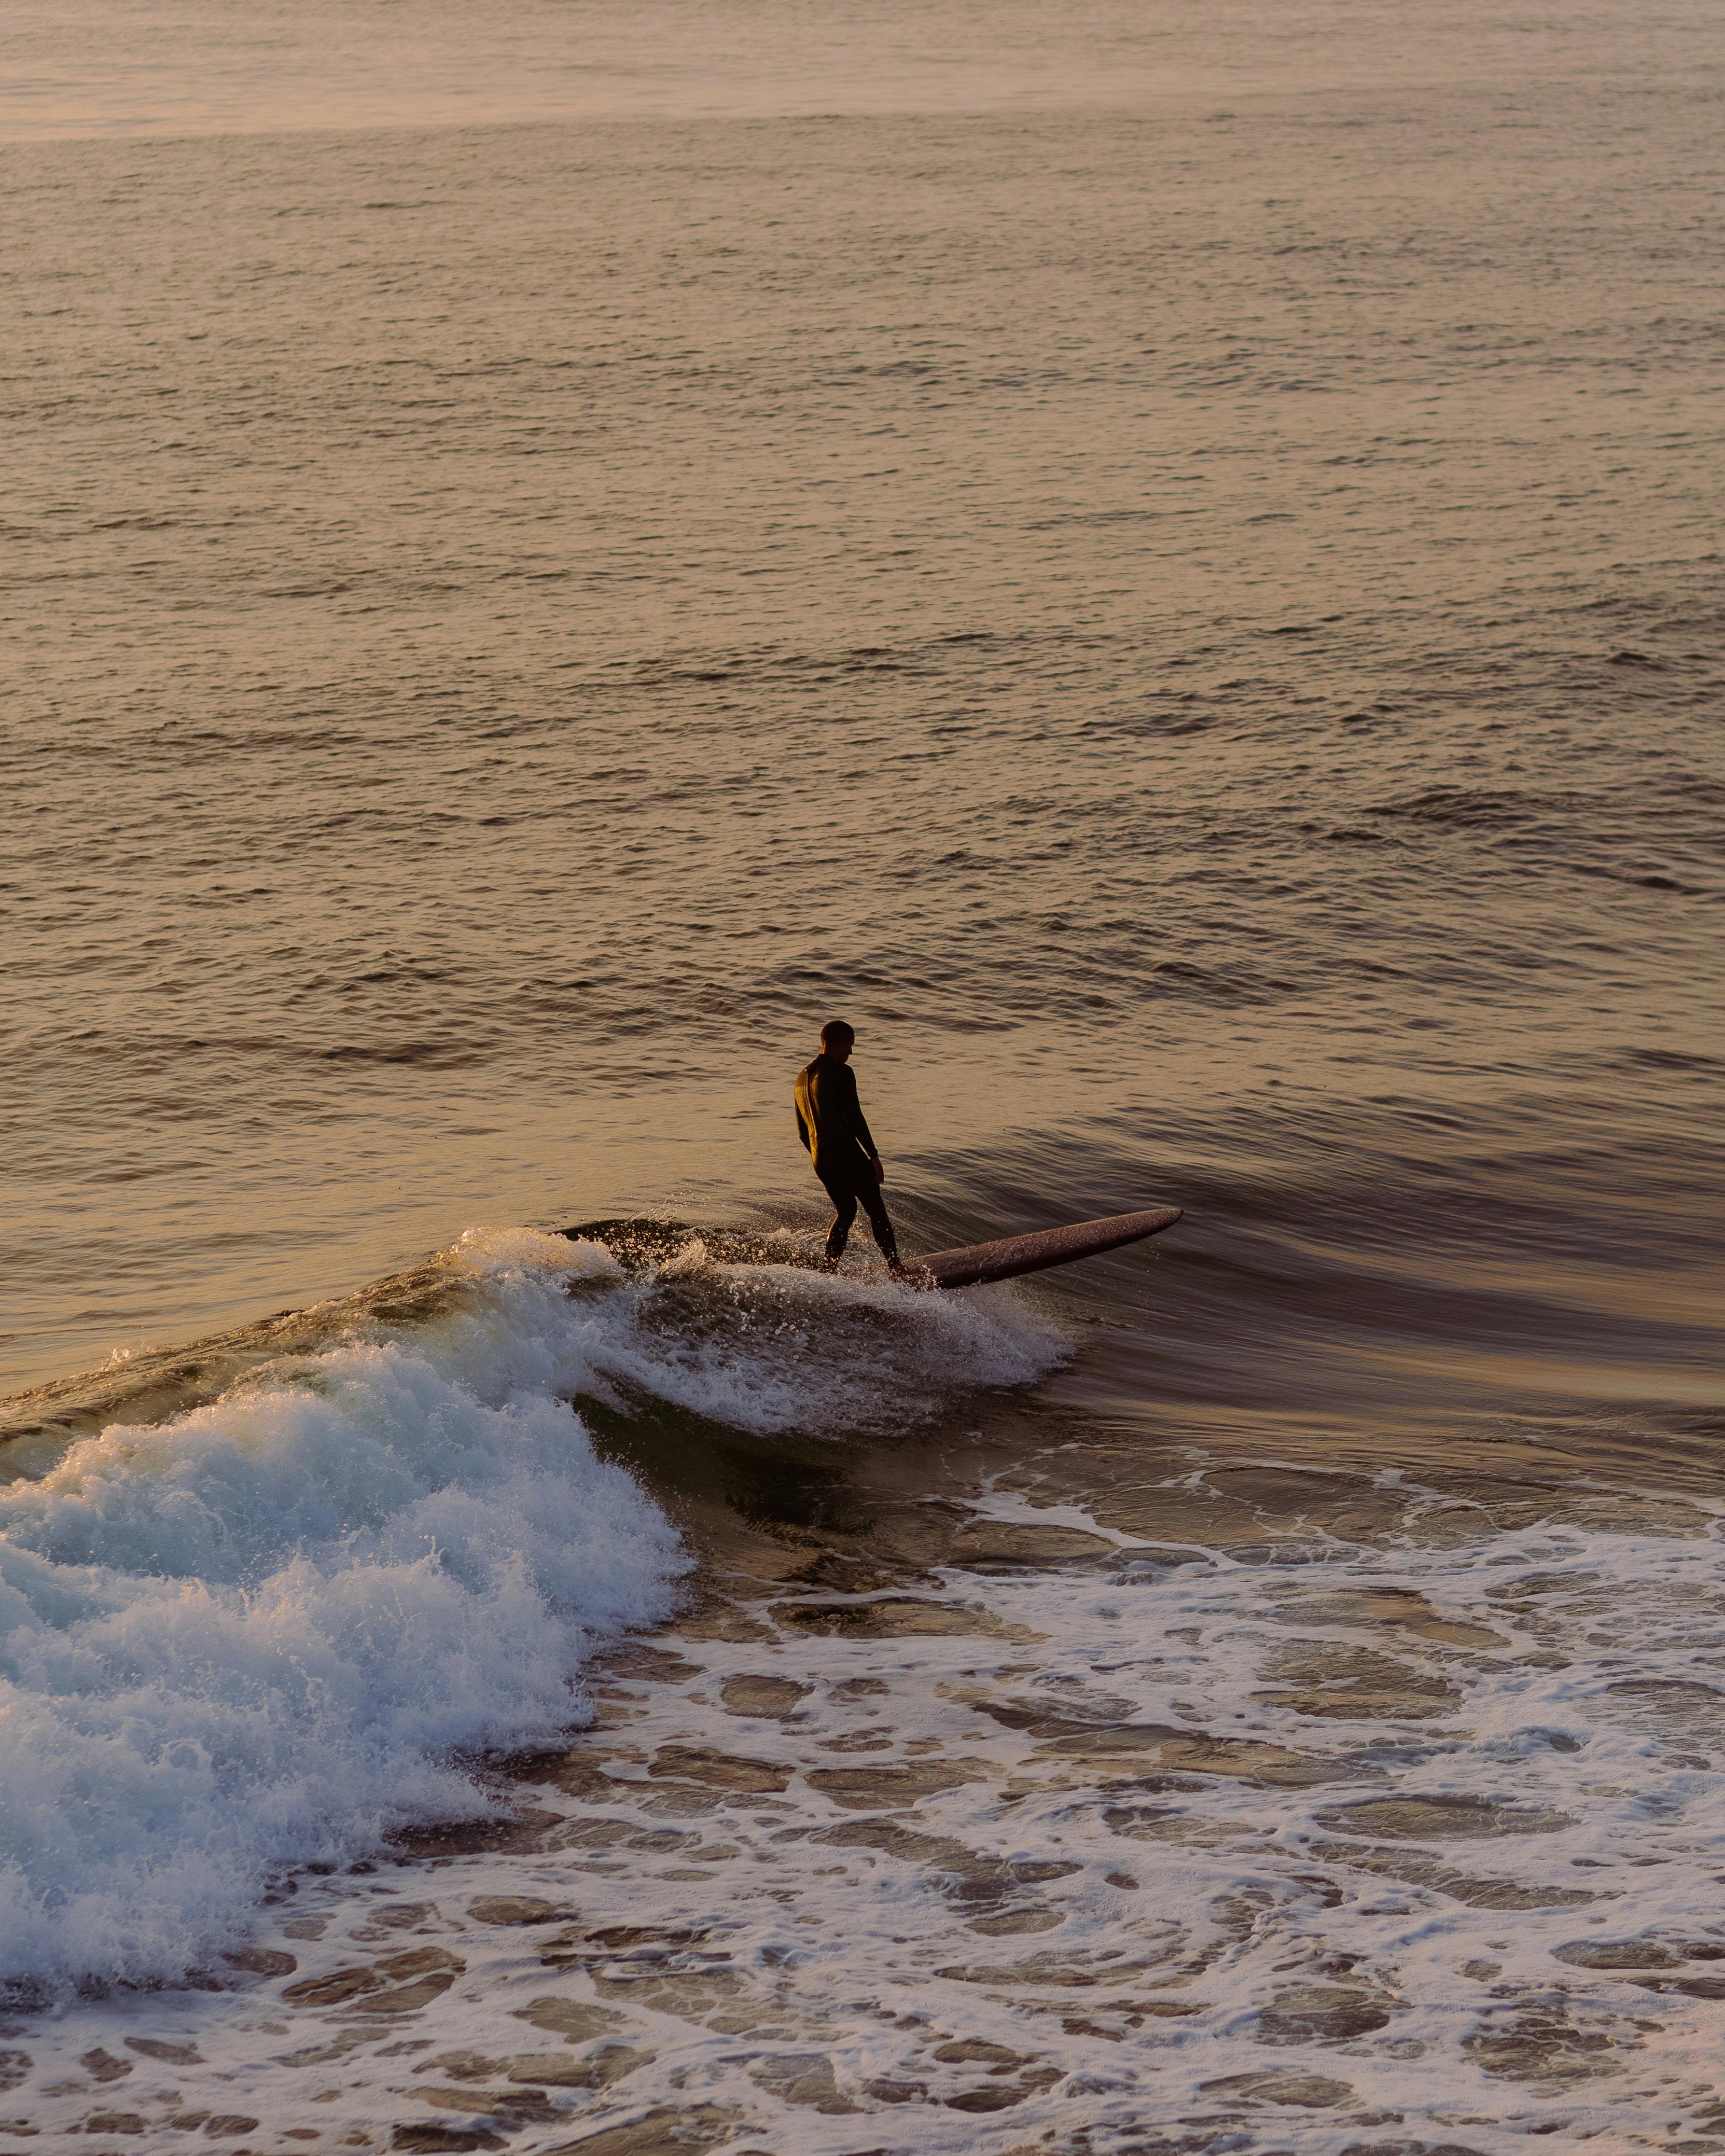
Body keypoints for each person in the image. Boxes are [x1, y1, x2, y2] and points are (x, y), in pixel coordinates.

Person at [794, 1020, 903, 1273]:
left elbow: (802, 1133)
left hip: (821, 1159)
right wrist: (873, 1155)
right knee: (876, 1210)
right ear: (840, 1043)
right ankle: (896, 1267)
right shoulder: (842, 1072)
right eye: (850, 1046)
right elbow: (854, 1116)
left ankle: (828, 1268)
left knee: (846, 1212)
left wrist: (823, 1157)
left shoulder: (801, 1078)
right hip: (846, 1153)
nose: (851, 1053)